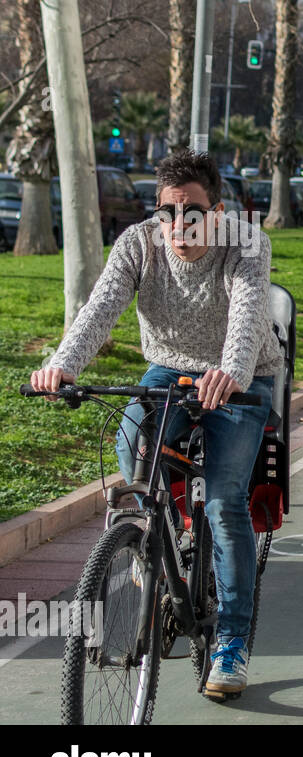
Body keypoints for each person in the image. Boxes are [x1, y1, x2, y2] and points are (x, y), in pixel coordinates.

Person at [30, 149, 279, 698]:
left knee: (223, 502)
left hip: (240, 375)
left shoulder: (247, 243)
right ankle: (151, 544)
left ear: (218, 211)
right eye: (168, 212)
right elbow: (99, 309)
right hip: (168, 367)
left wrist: (231, 373)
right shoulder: (139, 243)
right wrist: (63, 366)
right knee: (129, 443)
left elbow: (244, 316)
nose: (178, 226)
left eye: (193, 212)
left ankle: (231, 644)